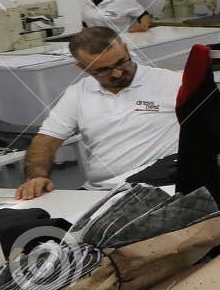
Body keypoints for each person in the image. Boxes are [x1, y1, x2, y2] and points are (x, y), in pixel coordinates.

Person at [17, 27, 180, 198]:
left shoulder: (172, 83)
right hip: (100, 191)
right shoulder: (77, 93)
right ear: (82, 67)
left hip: (156, 186)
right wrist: (36, 177)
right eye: (103, 70)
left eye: (121, 62)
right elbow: (46, 141)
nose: (117, 73)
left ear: (125, 49)